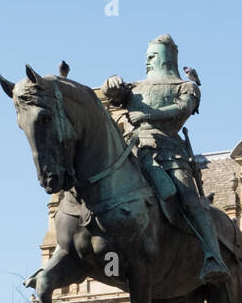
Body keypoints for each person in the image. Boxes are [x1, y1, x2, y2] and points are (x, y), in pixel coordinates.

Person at [98, 35, 228, 287]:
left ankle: (214, 257)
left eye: (152, 56)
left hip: (168, 150)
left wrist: (149, 114)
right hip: (131, 149)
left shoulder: (185, 86)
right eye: (146, 56)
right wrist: (110, 83)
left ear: (166, 57)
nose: (147, 61)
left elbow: (182, 109)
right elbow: (111, 94)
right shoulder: (135, 87)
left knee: (190, 200)